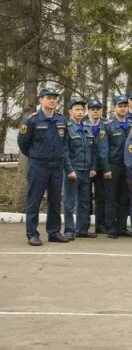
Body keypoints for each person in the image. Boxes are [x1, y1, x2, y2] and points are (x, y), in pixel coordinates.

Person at [18, 89, 70, 246]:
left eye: (55, 98)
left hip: (56, 165)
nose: (52, 100)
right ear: (41, 100)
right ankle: (32, 234)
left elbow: (65, 142)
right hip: (38, 165)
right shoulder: (31, 120)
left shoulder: (61, 120)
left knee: (55, 199)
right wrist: (36, 155)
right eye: (48, 98)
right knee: (34, 199)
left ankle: (53, 232)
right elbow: (23, 144)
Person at [63, 98, 99, 240]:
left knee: (84, 202)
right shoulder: (66, 128)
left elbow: (94, 150)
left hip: (86, 170)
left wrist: (93, 167)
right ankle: (69, 230)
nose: (79, 112)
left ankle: (82, 229)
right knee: (70, 202)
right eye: (76, 109)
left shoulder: (87, 128)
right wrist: (69, 169)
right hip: (73, 170)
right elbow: (64, 151)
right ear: (70, 111)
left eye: (81, 109)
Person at [104, 96, 132, 238]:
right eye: (120, 106)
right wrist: (106, 168)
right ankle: (110, 227)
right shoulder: (108, 126)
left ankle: (121, 226)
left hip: (127, 167)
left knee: (124, 198)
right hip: (113, 166)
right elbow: (104, 149)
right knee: (111, 198)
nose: (123, 108)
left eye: (125, 106)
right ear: (114, 107)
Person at [84, 98, 108, 234]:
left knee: (101, 196)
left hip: (101, 166)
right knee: (85, 196)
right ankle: (84, 224)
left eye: (98, 109)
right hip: (86, 166)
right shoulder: (83, 123)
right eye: (92, 109)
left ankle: (101, 225)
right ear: (88, 110)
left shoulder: (106, 124)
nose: (95, 112)